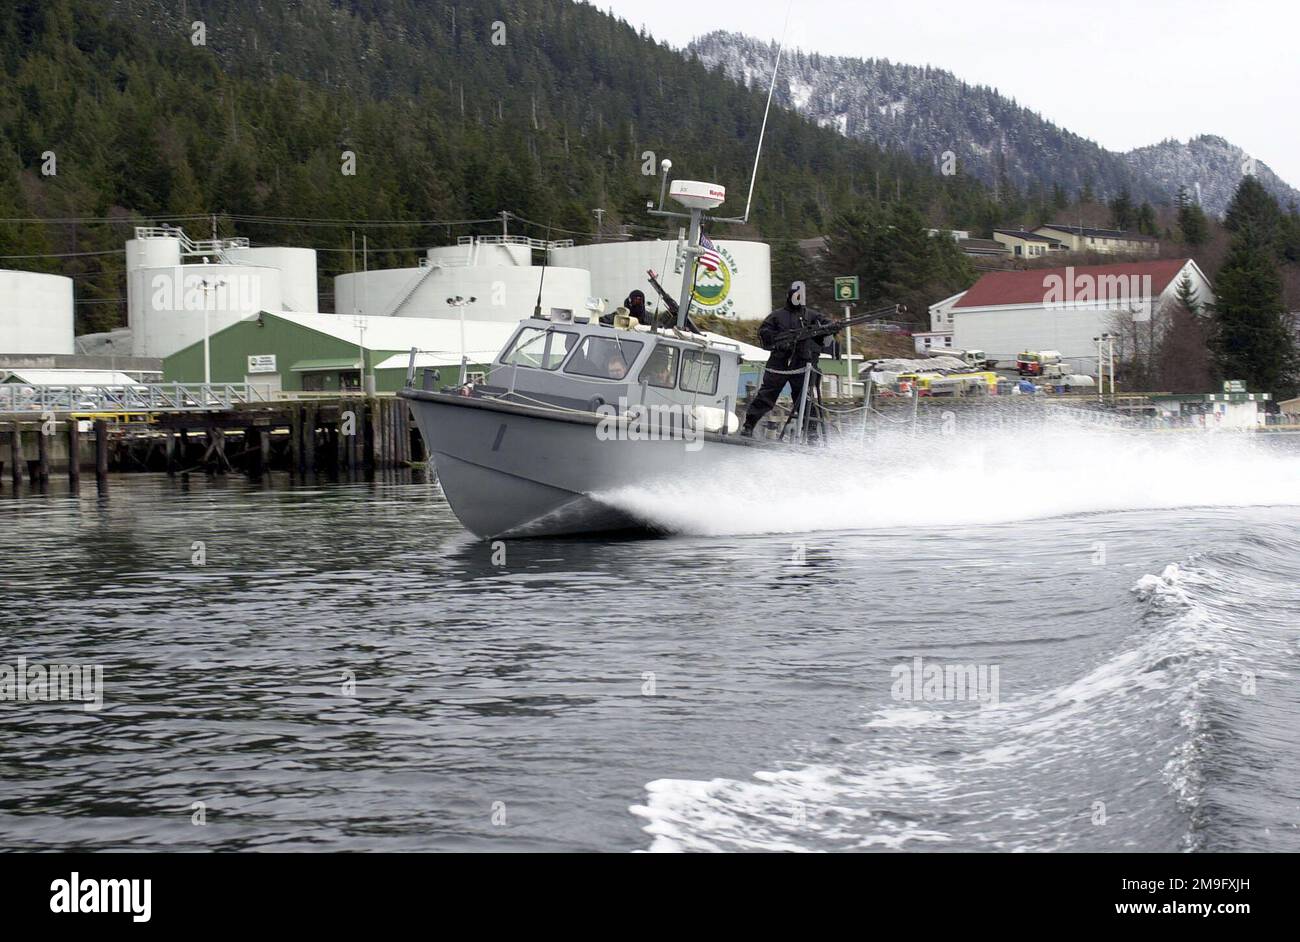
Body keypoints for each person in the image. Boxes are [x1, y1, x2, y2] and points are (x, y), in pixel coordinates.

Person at [740, 281, 836, 438]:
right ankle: (748, 426)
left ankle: (812, 434)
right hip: (780, 362)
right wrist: (780, 341)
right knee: (766, 396)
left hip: (802, 363)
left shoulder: (811, 316)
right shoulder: (776, 316)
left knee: (805, 400)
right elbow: (764, 333)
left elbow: (825, 324)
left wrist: (831, 327)